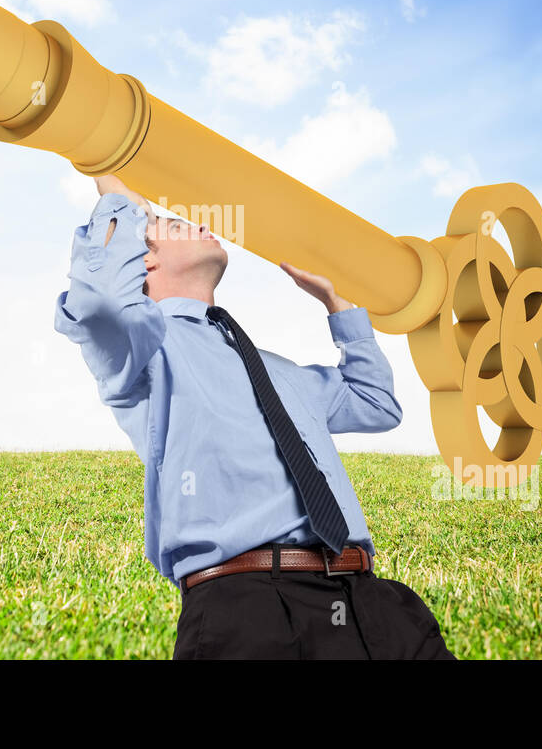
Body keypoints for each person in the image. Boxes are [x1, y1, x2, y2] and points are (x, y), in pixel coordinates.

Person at [53, 172, 456, 659]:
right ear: (145, 257)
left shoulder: (274, 370)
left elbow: (376, 404)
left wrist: (339, 306)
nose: (199, 223)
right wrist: (118, 197)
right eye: (173, 224)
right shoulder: (145, 351)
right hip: (249, 608)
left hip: (367, 601)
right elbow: (99, 301)